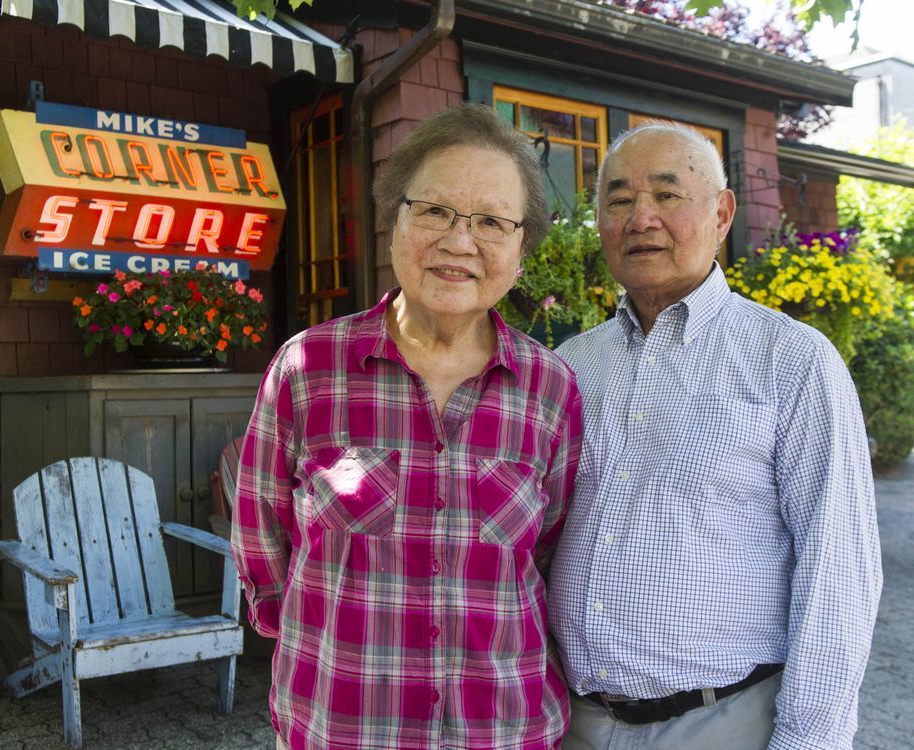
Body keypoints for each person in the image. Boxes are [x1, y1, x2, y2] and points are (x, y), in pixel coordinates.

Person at [231, 103, 583, 750]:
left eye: (490, 222)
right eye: (436, 211)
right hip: (342, 727)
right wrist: (321, 640)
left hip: (503, 731)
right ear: (393, 220)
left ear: (520, 247)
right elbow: (261, 538)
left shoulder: (550, 390)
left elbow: (548, 552)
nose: (459, 241)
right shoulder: (308, 369)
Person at [548, 122, 882, 750]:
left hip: (724, 723)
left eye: (668, 195)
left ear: (723, 213)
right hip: (573, 723)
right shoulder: (571, 367)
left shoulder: (791, 361)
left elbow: (839, 573)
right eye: (618, 200)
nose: (641, 217)